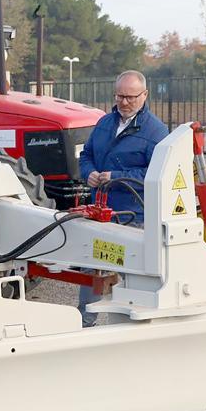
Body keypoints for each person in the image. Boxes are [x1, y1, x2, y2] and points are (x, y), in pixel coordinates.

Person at [75, 70, 168, 326]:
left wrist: (115, 175)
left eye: (130, 97)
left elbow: (155, 172)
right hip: (100, 211)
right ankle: (85, 321)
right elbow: (87, 155)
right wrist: (89, 173)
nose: (124, 102)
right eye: (119, 96)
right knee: (91, 265)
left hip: (132, 215)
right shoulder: (104, 123)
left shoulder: (156, 132)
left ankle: (130, 325)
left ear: (144, 95)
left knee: (131, 269)